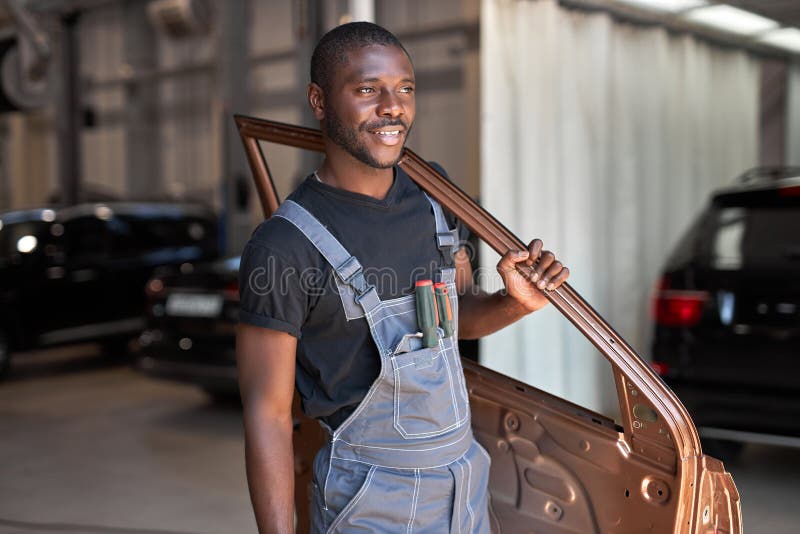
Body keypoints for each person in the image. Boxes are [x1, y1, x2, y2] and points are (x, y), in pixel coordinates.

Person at [236, 22, 570, 534]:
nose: (393, 106)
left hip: (465, 487)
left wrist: (514, 303)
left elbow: (457, 320)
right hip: (371, 503)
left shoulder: (435, 195)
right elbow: (268, 417)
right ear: (319, 101)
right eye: (368, 89)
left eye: (405, 88)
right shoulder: (283, 247)